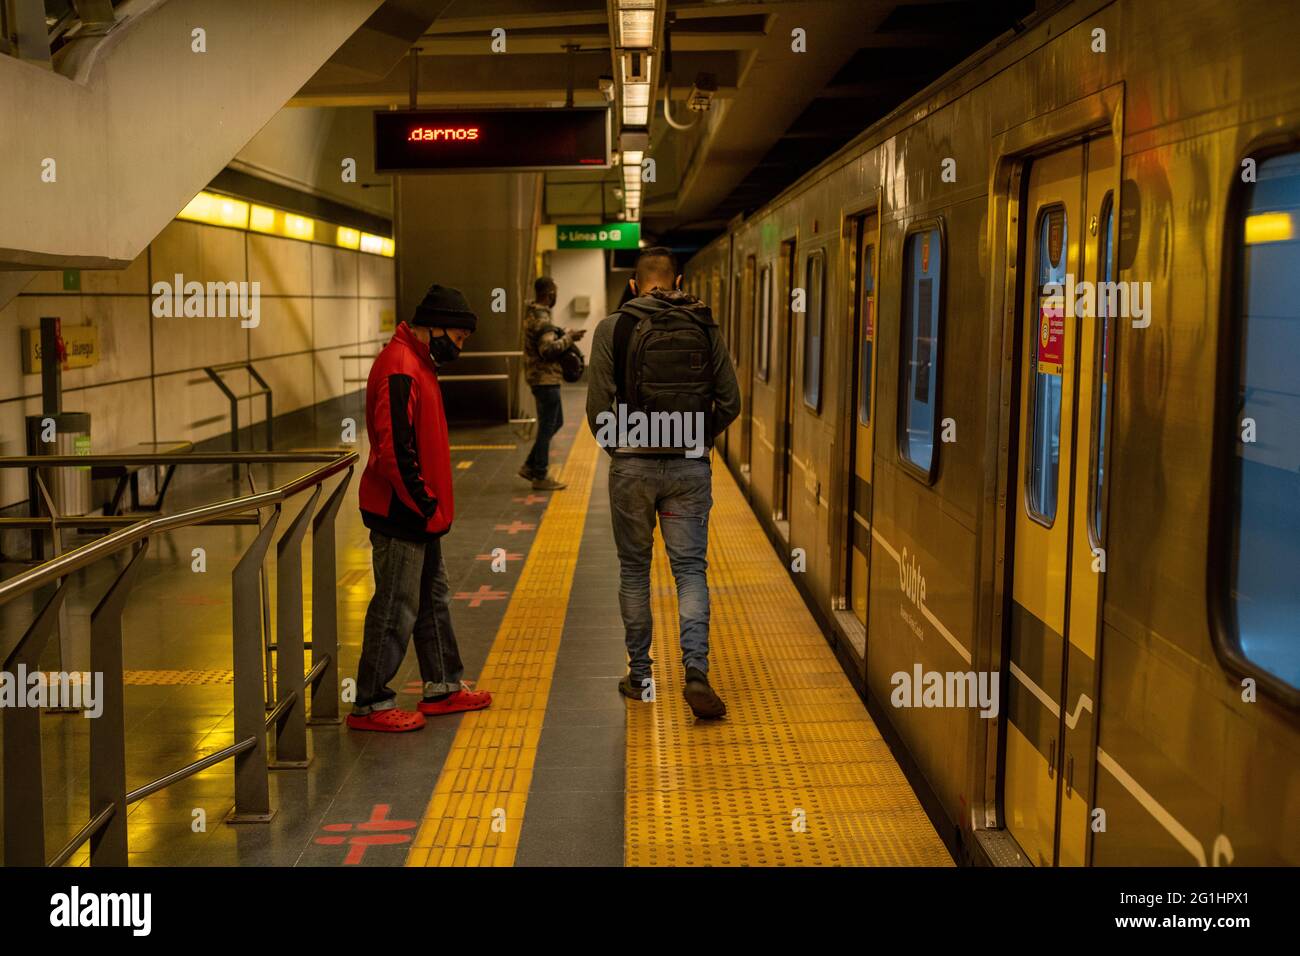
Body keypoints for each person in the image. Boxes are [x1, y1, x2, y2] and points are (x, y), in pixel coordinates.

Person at [585, 247, 741, 719]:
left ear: (634, 284)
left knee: (634, 570)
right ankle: (696, 671)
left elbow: (597, 411)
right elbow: (730, 401)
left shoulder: (613, 327)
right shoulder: (704, 323)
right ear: (679, 279)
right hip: (689, 465)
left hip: (632, 464)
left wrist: (625, 447)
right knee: (690, 570)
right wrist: (693, 437)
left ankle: (641, 676)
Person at [348, 284, 492, 732]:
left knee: (431, 599)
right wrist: (424, 504)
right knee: (396, 606)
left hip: (419, 512)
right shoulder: (400, 367)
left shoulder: (419, 362)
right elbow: (395, 452)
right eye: (460, 336)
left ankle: (443, 685)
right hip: (401, 512)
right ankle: (370, 702)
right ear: (433, 326)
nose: (460, 346)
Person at [520, 276, 586, 491]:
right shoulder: (542, 319)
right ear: (549, 294)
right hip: (545, 378)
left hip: (542, 378)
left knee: (554, 422)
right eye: (555, 292)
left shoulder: (535, 314)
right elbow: (547, 350)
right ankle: (540, 474)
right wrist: (570, 338)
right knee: (549, 424)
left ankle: (531, 465)